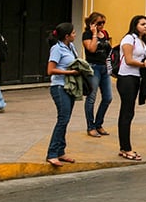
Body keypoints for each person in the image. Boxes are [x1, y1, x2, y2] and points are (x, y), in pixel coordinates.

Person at [115, 15, 146, 161]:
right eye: (142, 24)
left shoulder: (142, 41)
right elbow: (129, 60)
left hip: (137, 78)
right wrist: (143, 64)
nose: (145, 26)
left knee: (129, 112)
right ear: (135, 25)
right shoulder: (128, 39)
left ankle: (124, 147)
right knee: (126, 112)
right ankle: (126, 147)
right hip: (126, 78)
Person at [45, 22, 81, 167]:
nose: (75, 35)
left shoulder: (71, 47)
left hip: (70, 87)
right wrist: (69, 72)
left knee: (66, 119)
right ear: (66, 36)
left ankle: (61, 151)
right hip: (59, 86)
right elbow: (50, 70)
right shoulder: (56, 49)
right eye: (73, 33)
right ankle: (52, 153)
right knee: (63, 119)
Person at [81, 11, 113, 138]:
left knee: (108, 97)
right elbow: (91, 49)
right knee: (91, 98)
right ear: (92, 23)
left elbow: (109, 51)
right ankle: (90, 126)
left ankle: (99, 123)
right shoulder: (87, 35)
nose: (102, 26)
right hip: (93, 68)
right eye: (99, 23)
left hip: (104, 68)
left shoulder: (104, 34)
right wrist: (94, 34)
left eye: (103, 23)